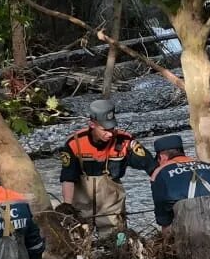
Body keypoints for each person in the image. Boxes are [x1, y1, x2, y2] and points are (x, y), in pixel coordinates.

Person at [59, 99, 155, 238]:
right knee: (78, 245)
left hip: (113, 210)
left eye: (112, 128)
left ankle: (121, 255)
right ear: (92, 124)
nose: (110, 134)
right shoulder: (74, 143)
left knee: (118, 240)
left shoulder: (124, 142)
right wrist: (67, 206)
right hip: (80, 210)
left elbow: (151, 166)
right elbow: (68, 178)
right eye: (105, 129)